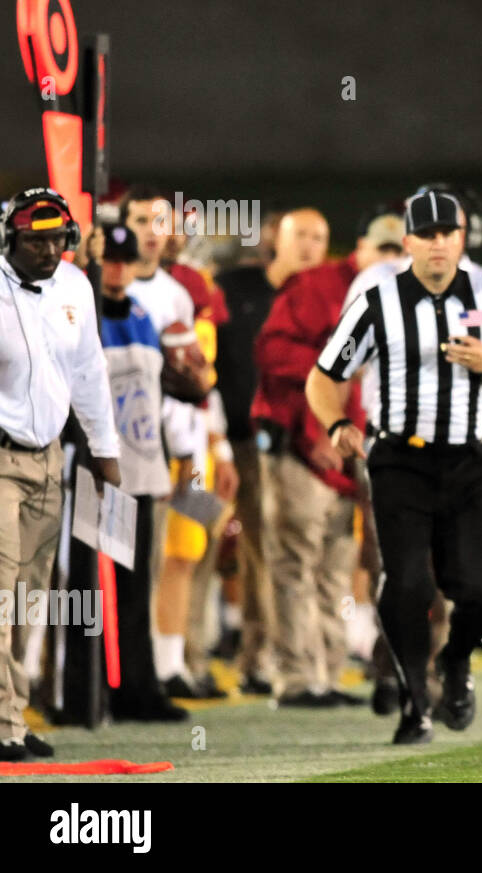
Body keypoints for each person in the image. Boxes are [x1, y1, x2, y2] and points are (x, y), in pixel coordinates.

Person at [306, 189, 482, 743]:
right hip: (399, 460)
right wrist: (338, 425)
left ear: (462, 237)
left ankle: (455, 662)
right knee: (408, 584)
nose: (438, 244)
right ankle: (415, 703)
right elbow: (323, 377)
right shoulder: (376, 299)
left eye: (448, 233)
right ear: (407, 240)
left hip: (470, 458)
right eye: (427, 234)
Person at [253, 207, 403, 707]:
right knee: (295, 562)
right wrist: (317, 421)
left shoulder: (403, 294)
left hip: (354, 449)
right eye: (381, 249)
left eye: (397, 250)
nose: (389, 259)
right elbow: (273, 352)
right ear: (359, 247)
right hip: (302, 446)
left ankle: (327, 670)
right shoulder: (317, 285)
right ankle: (296, 677)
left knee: (337, 569)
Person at [0, 188, 121, 761]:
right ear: (9, 239)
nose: (49, 250)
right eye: (35, 239)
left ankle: (13, 719)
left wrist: (105, 448)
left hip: (50, 457)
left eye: (58, 238)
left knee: (28, 600)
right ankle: (1, 727)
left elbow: (89, 370)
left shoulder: (74, 285)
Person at [214, 209, 326, 694]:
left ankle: (260, 657)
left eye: (319, 238)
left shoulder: (323, 298)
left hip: (290, 444)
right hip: (225, 440)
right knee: (205, 554)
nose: (308, 246)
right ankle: (184, 655)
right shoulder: (234, 286)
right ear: (274, 240)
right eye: (299, 235)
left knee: (270, 552)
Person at [120, 186, 218, 697]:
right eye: (142, 220)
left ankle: (166, 665)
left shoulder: (180, 293)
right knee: (103, 566)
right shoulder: (97, 285)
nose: (153, 232)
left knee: (182, 550)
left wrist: (192, 451)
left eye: (162, 221)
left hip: (171, 443)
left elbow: (194, 387)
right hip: (112, 443)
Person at [98, 223, 194, 722]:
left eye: (123, 260)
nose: (116, 269)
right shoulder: (84, 313)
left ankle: (138, 686)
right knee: (95, 591)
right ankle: (96, 690)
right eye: (109, 260)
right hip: (101, 473)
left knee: (137, 590)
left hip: (142, 469)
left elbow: (161, 397)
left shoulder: (140, 315)